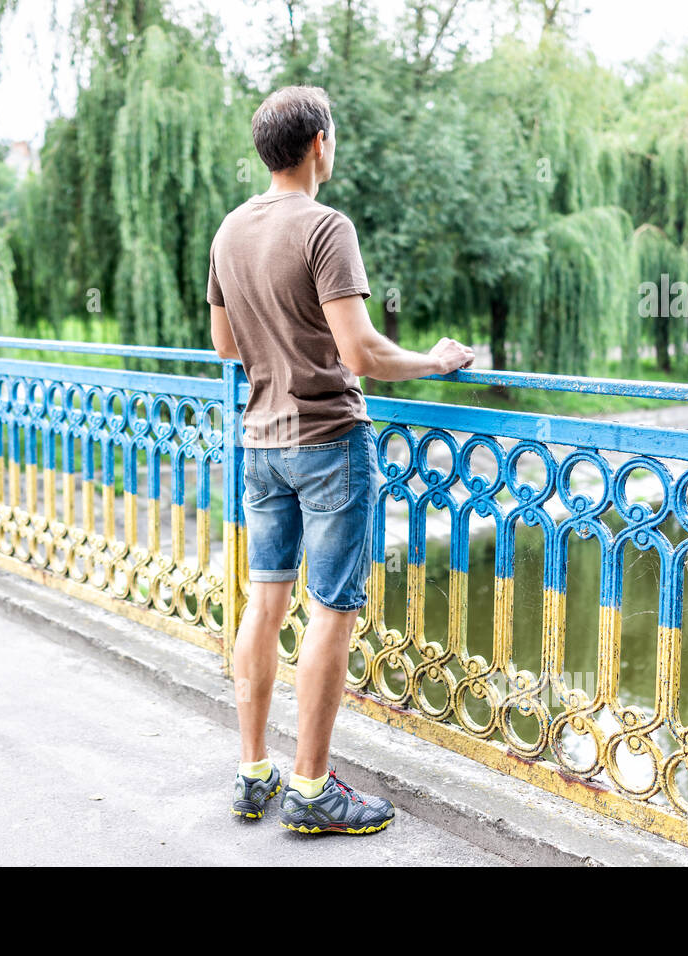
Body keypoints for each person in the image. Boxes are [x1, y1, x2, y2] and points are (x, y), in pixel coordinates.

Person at [206, 86, 474, 834]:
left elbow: (227, 347)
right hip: (329, 443)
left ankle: (253, 771)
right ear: (319, 142)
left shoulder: (230, 230)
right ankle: (313, 787)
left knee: (266, 604)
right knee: (331, 611)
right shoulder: (326, 227)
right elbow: (362, 352)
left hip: (260, 441)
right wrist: (435, 358)